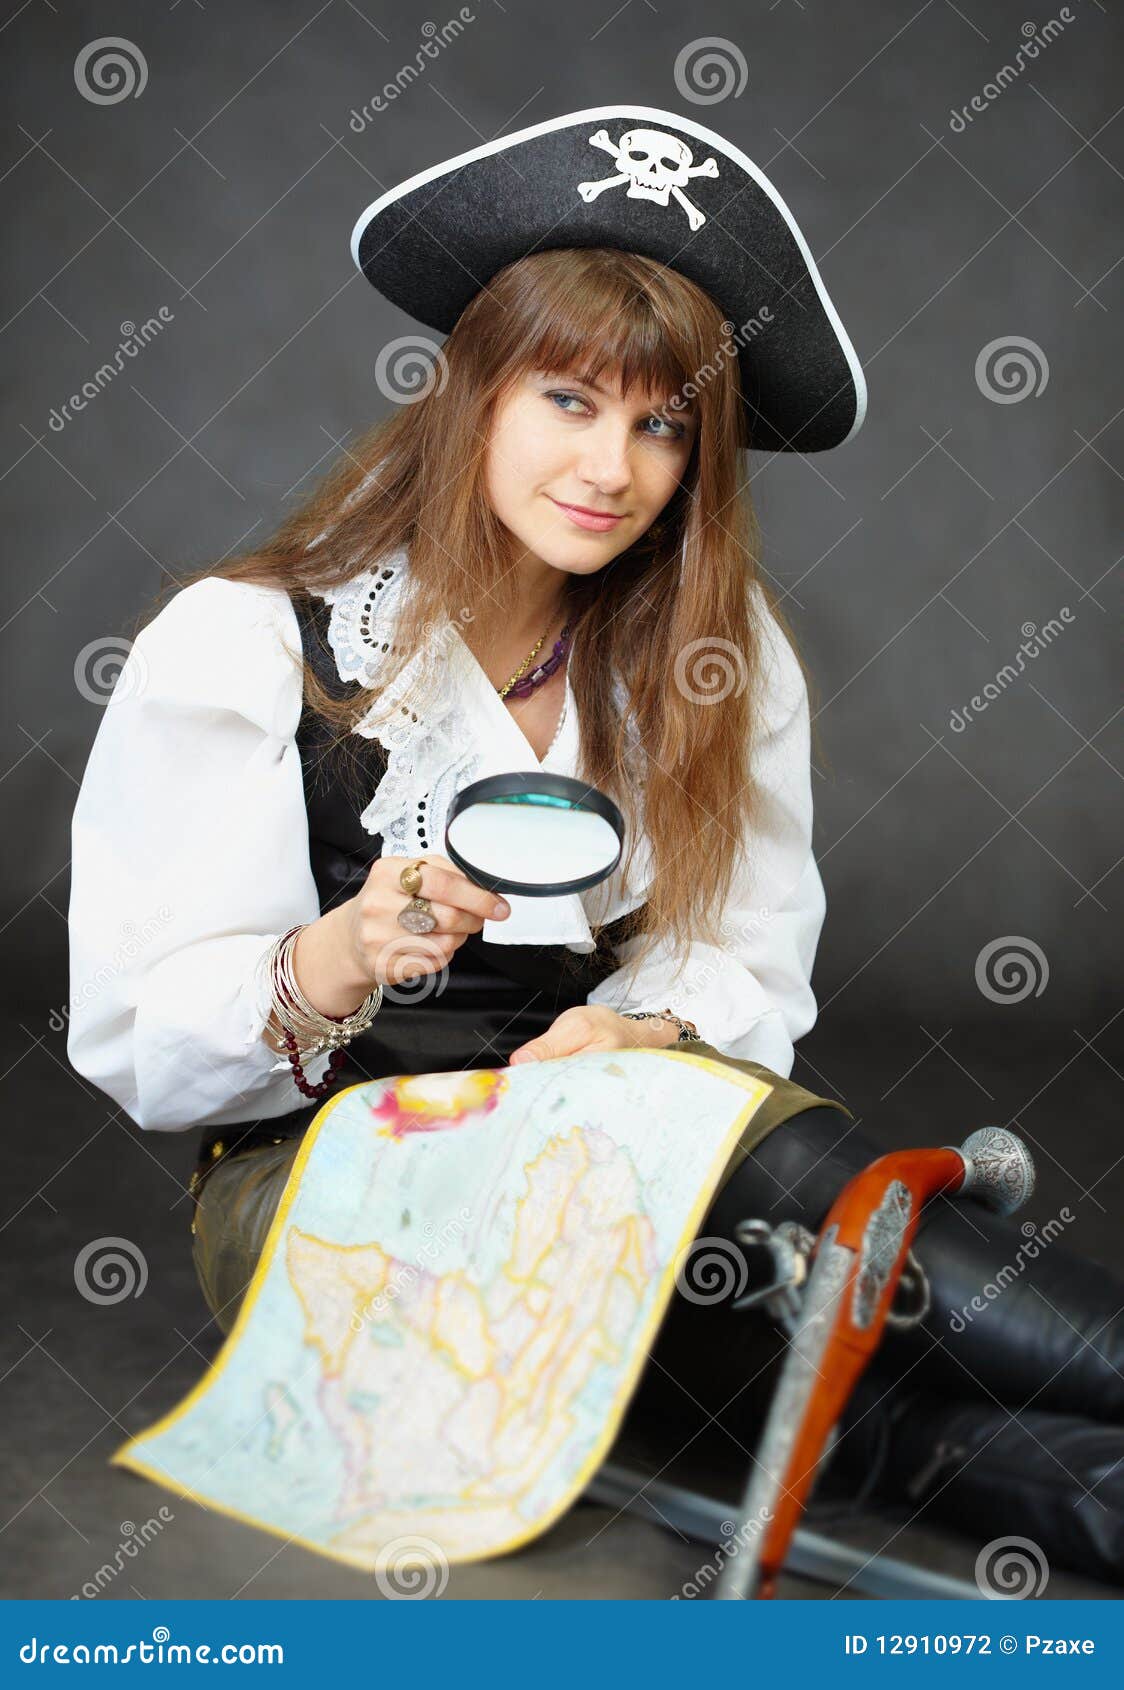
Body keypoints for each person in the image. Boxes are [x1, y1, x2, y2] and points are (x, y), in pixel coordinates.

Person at [66, 105, 1122, 1585]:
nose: (612, 465)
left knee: (773, 1319)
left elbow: (742, 951)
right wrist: (335, 957)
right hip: (322, 1198)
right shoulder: (248, 646)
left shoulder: (710, 649)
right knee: (737, 1258)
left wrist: (643, 1027)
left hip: (623, 1161)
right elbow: (142, 1041)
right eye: (568, 398)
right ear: (473, 392)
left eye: (661, 422)